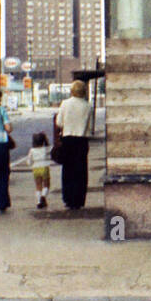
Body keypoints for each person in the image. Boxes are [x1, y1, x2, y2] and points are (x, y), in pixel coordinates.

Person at [55, 80, 91, 209]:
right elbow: (90, 126)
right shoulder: (88, 106)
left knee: (68, 170)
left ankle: (68, 198)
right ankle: (79, 199)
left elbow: (59, 122)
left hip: (68, 139)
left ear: (72, 91)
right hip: (81, 140)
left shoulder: (65, 104)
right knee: (81, 170)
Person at [27, 131, 51, 210]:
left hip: (35, 169)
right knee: (46, 184)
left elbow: (29, 161)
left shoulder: (32, 150)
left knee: (38, 185)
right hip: (44, 167)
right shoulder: (46, 149)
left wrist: (30, 164)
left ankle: (38, 201)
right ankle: (43, 196)